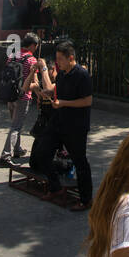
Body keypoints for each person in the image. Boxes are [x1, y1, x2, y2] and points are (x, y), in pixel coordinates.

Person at [36, 40, 94, 210]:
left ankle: (86, 199)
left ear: (70, 58)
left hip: (76, 125)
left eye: (60, 59)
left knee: (80, 161)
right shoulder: (62, 74)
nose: (57, 63)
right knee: (42, 152)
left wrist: (64, 103)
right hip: (58, 121)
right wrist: (46, 93)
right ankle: (55, 187)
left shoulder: (82, 75)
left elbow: (87, 101)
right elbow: (58, 91)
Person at [1, 33, 40, 166]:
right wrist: (39, 92)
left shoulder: (12, 56)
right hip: (23, 97)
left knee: (15, 123)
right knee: (16, 126)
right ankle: (6, 155)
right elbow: (34, 83)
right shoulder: (31, 60)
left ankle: (17, 149)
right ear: (33, 45)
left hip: (10, 96)